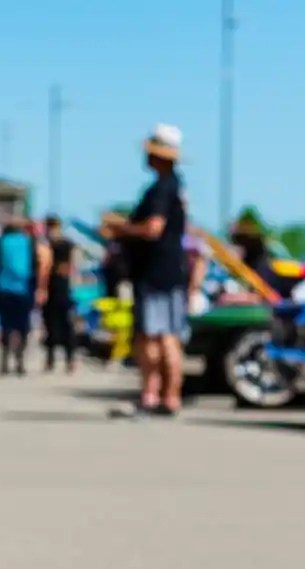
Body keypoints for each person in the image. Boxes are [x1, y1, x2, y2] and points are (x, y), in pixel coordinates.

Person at [111, 123, 189, 416]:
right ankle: (171, 395)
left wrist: (123, 229)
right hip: (172, 270)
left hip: (154, 273)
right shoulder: (177, 187)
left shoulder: (160, 189)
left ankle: (152, 393)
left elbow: (153, 228)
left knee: (151, 336)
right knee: (170, 334)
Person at [0, 217, 48, 376]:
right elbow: (36, 266)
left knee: (5, 325)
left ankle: (4, 360)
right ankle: (20, 360)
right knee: (23, 325)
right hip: (24, 289)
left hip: (3, 288)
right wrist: (39, 288)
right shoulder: (29, 242)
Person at [40, 215, 78, 373]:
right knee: (65, 325)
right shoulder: (69, 244)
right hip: (64, 287)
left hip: (52, 287)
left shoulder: (46, 245)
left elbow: (44, 268)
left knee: (51, 325)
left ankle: (51, 360)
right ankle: (68, 360)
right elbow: (74, 267)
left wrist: (41, 288)